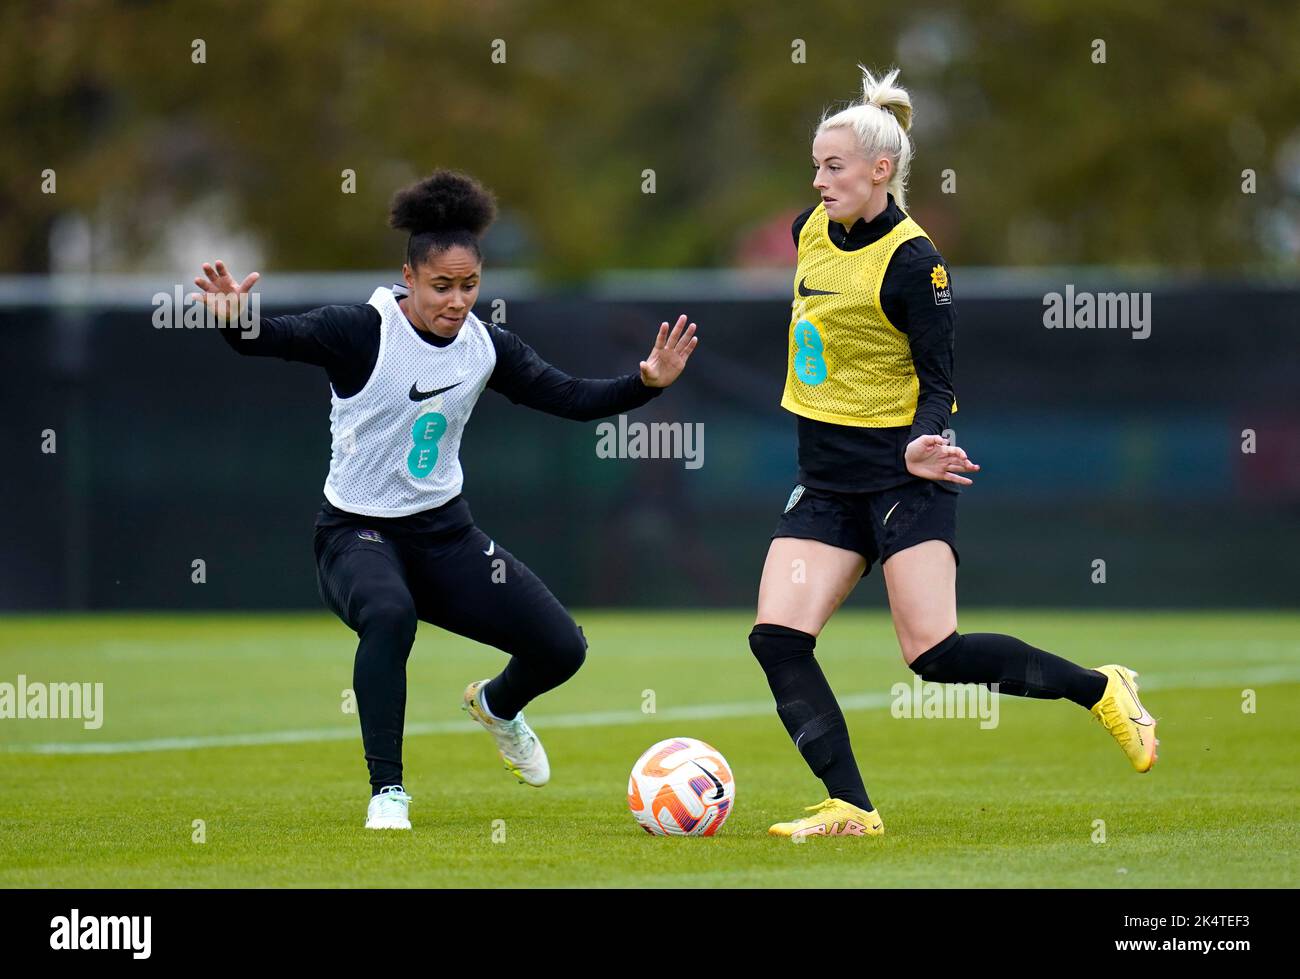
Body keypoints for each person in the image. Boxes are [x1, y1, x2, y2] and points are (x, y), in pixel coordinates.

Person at [193, 170, 698, 830]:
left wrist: (645, 382)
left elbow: (570, 398)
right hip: (356, 533)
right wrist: (236, 321)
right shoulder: (361, 332)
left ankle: (496, 704)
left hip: (444, 537)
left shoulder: (486, 347)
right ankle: (388, 792)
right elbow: (274, 337)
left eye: (469, 286)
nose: (457, 301)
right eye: (442, 286)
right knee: (389, 613)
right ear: (409, 276)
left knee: (562, 648)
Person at [750, 67, 1158, 842]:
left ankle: (1101, 688)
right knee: (776, 637)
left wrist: (925, 442)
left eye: (833, 166)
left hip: (906, 475)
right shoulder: (810, 227)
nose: (818, 179)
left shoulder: (914, 260)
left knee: (933, 654)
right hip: (827, 479)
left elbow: (938, 380)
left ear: (880, 169)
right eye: (814, 165)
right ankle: (853, 808)